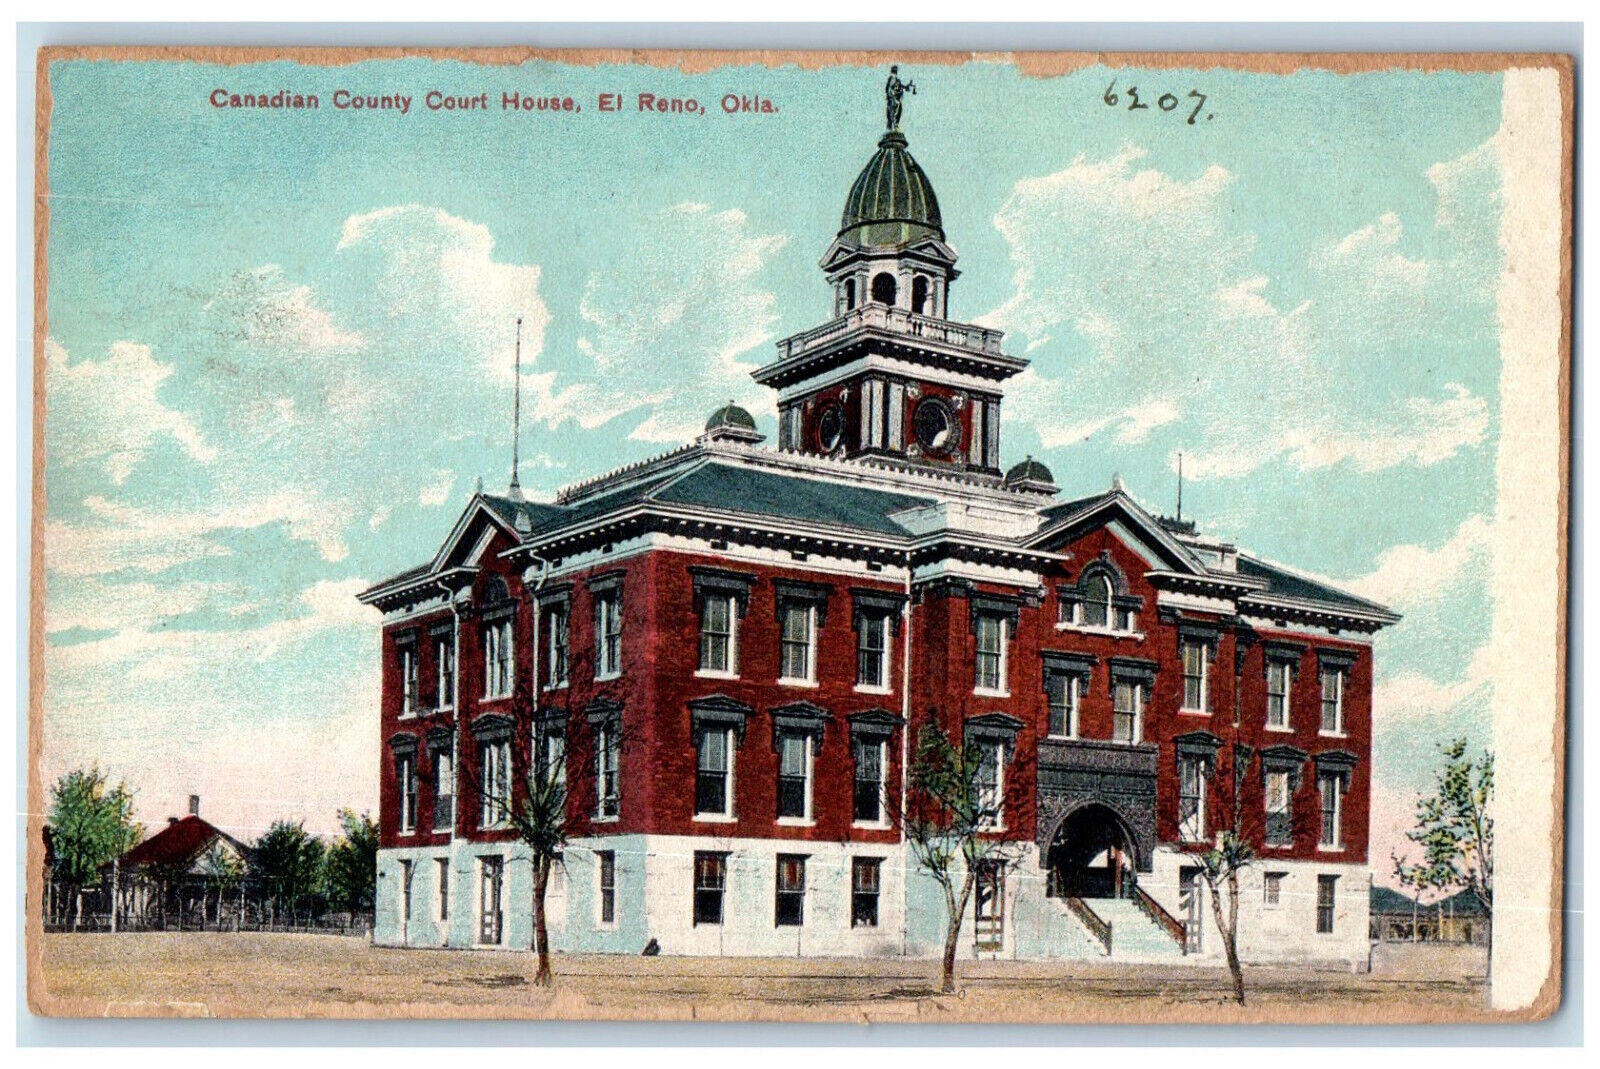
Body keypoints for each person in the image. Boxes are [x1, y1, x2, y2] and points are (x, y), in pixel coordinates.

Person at [885, 65, 916, 130]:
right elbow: (889, 89)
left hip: (895, 98)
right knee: (894, 112)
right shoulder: (892, 78)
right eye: (895, 70)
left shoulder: (896, 79)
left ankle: (894, 126)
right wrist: (892, 97)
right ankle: (894, 126)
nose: (896, 71)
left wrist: (907, 86)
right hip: (893, 99)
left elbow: (900, 86)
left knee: (898, 111)